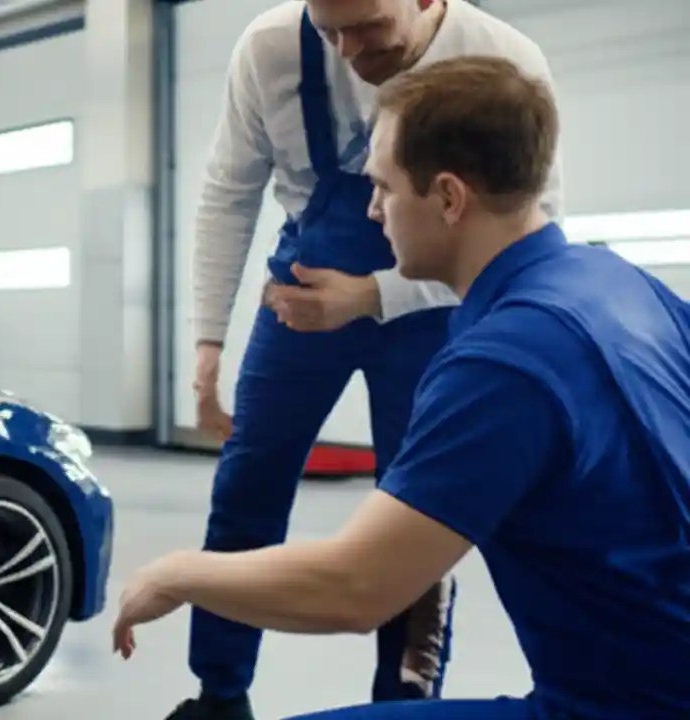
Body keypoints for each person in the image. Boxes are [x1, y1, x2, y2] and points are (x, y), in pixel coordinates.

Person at [119, 54, 690, 720]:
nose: (372, 209)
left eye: (384, 188)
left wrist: (176, 574)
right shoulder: (619, 280)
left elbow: (357, 588)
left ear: (449, 198)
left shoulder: (504, 362)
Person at [184, 0, 562, 717]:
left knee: (419, 512)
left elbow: (528, 230)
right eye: (330, 32)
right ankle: (219, 691)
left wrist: (373, 296)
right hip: (301, 292)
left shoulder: (506, 61)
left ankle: (403, 702)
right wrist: (208, 341)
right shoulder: (268, 51)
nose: (349, 51)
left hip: (433, 310)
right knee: (244, 493)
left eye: (368, 28)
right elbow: (227, 193)